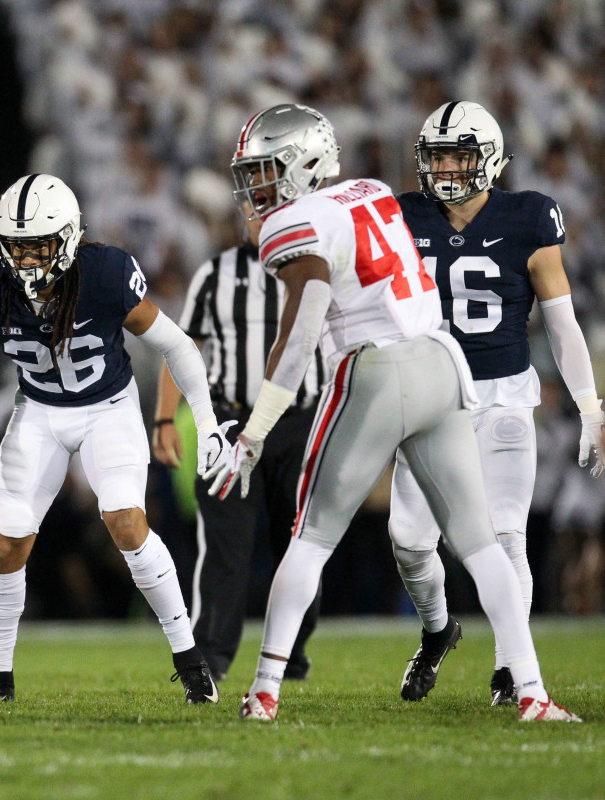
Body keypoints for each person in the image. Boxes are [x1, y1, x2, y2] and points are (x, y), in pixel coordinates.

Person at [204, 103, 580, 722]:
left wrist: (254, 433)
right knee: (483, 545)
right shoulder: (372, 191)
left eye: (267, 170)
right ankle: (534, 694)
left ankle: (265, 690)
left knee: (311, 536)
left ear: (303, 165)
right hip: (441, 361)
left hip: (374, 370)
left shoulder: (292, 222)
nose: (256, 186)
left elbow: (304, 325)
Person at [0, 173, 234, 705]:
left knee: (126, 520)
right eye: (16, 246)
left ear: (68, 237)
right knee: (8, 544)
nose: (26, 258)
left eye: (38, 244)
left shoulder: (104, 272)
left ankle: (190, 659)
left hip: (108, 407)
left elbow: (177, 344)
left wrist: (210, 423)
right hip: (37, 411)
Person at [390, 101, 604, 706]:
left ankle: (512, 669)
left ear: (488, 158)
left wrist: (590, 406)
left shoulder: (530, 217)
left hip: (504, 398)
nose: (446, 168)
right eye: (436, 156)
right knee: (408, 540)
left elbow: (561, 324)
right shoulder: (404, 216)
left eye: (459, 155)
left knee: (507, 533)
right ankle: (437, 631)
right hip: (429, 401)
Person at [152, 211, 325, 683]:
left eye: (269, 209)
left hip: (298, 421)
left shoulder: (317, 265)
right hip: (231, 419)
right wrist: (165, 417)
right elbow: (182, 347)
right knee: (223, 545)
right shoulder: (215, 273)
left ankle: (292, 650)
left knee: (301, 540)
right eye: (253, 209)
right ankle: (211, 652)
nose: (259, 218)